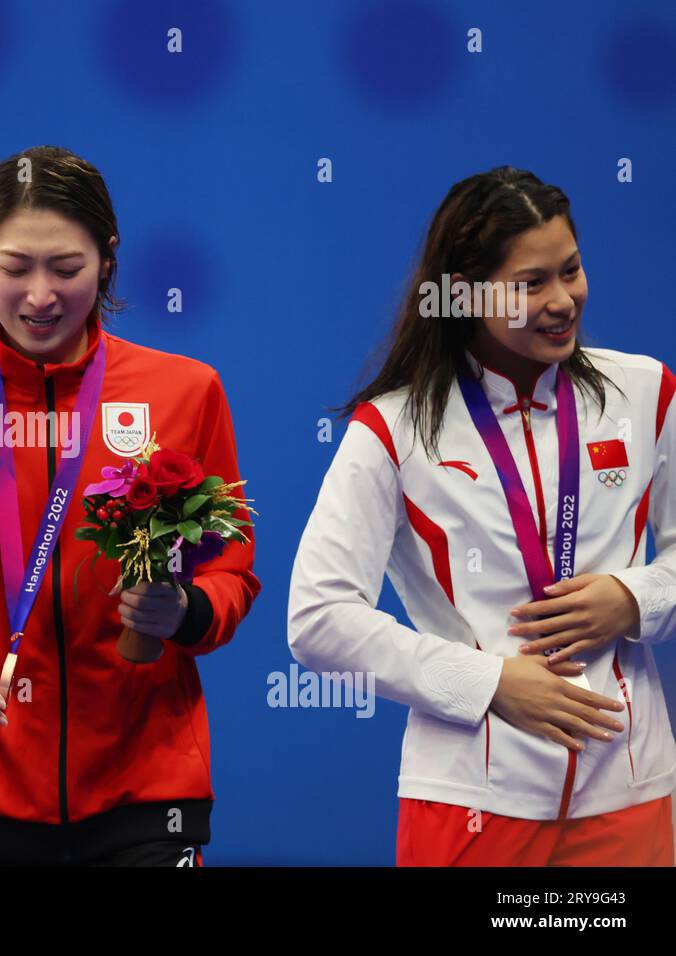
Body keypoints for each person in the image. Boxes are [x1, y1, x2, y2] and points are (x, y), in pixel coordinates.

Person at [0, 145, 260, 866]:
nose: (39, 296)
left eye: (67, 269)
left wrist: (185, 610)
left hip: (148, 791)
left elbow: (232, 575)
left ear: (108, 257)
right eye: (14, 269)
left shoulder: (185, 392)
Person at [288, 166, 675, 867]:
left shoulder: (645, 391)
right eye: (530, 284)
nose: (562, 300)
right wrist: (490, 684)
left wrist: (634, 597)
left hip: (632, 782)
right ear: (463, 295)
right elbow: (318, 619)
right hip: (473, 798)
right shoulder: (394, 429)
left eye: (572, 270)